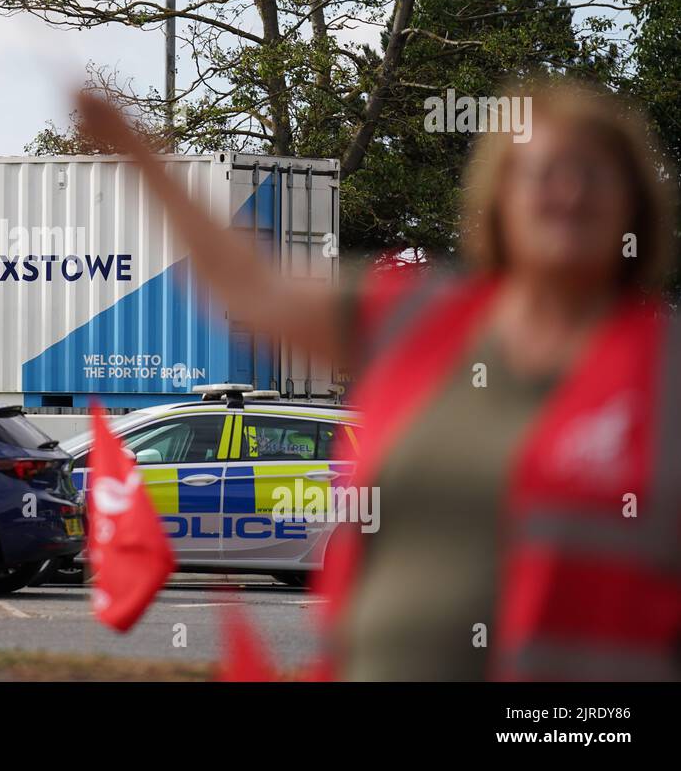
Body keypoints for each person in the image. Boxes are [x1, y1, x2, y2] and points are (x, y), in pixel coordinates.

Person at [74, 78, 681, 681]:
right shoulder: (420, 316)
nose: (569, 192)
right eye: (544, 172)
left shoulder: (664, 367)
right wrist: (135, 150)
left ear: (635, 204)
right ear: (499, 197)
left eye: (595, 173)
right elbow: (254, 290)